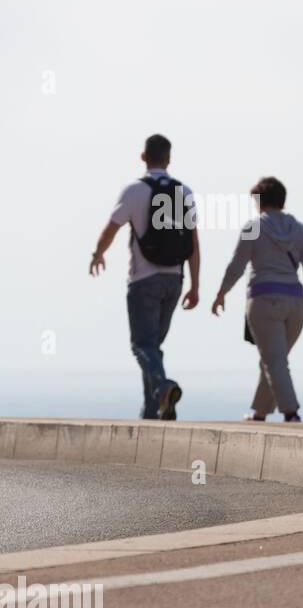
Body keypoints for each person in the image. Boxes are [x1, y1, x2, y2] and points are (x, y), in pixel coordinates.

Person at [89, 134, 200, 420]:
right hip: (175, 280)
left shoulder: (134, 191)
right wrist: (195, 285)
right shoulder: (184, 192)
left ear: (143, 157)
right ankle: (152, 411)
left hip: (143, 280)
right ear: (169, 158)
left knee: (142, 345)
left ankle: (163, 388)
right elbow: (193, 243)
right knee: (153, 347)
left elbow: (111, 229)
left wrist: (97, 254)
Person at [212, 177, 303, 422]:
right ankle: (260, 413)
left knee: (274, 359)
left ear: (260, 201)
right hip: (297, 303)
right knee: (275, 358)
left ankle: (291, 412)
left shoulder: (254, 228)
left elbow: (237, 266)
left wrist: (222, 292)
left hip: (264, 299)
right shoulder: (301, 230)